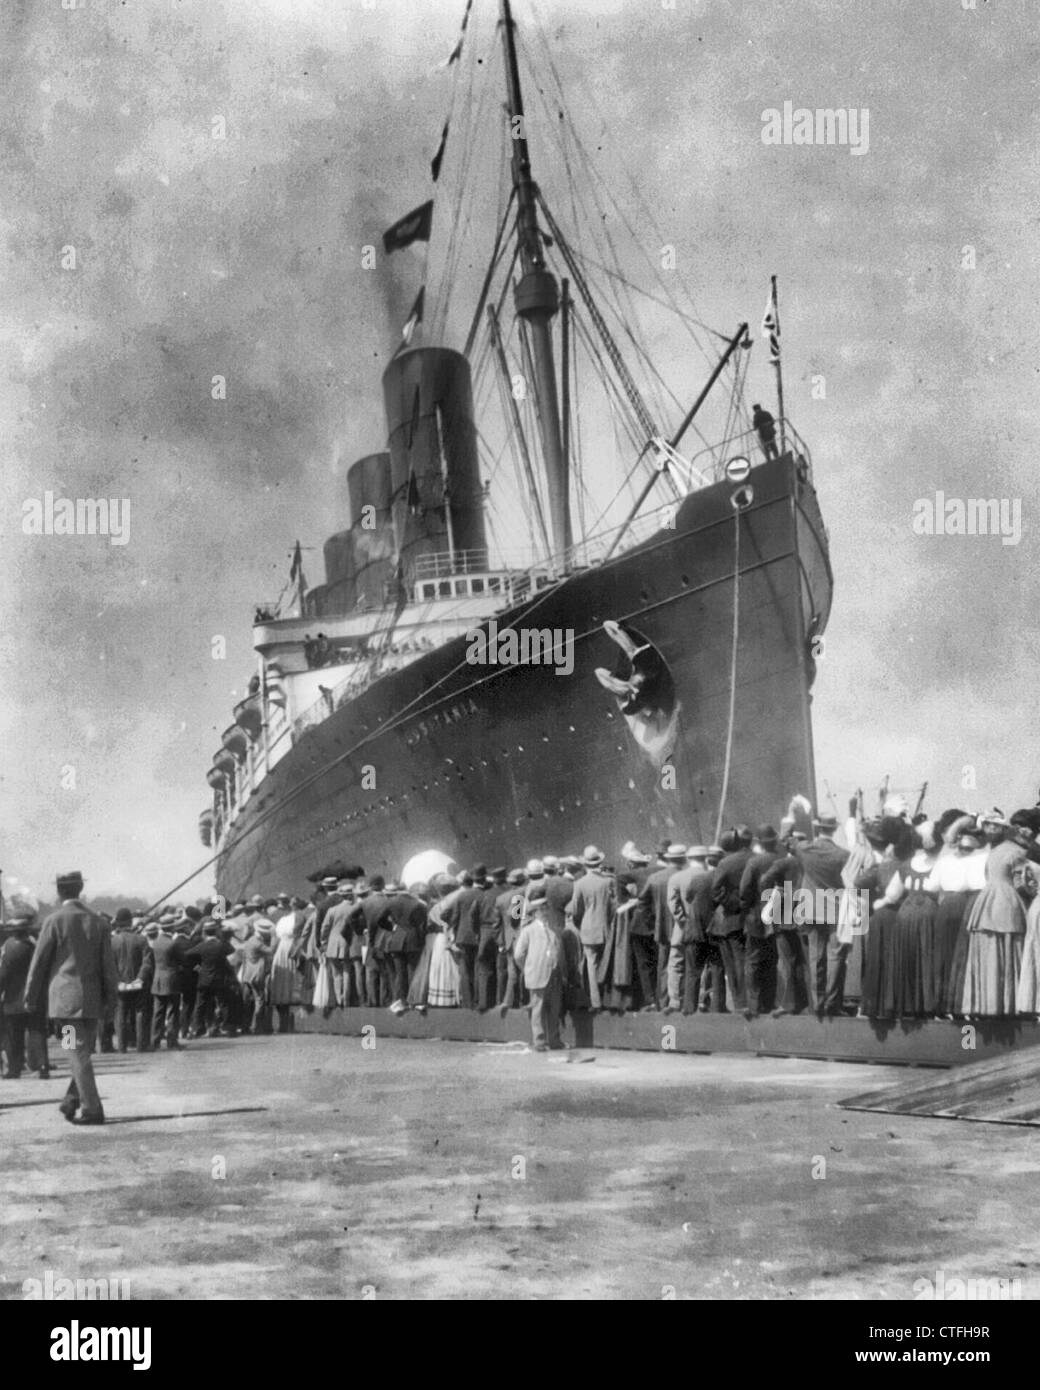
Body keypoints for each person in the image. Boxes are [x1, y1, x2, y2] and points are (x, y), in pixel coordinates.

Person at [25, 871, 118, 1125]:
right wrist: (112, 999)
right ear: (80, 890)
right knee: (82, 1055)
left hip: (64, 1005)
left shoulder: (54, 921)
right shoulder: (99, 922)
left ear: (58, 891)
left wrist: (30, 997)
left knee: (76, 1056)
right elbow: (109, 967)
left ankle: (92, 1110)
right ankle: (71, 1100)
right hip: (92, 1002)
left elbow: (39, 963)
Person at [961, 812, 1028, 1017]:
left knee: (990, 948)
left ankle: (987, 1004)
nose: (990, 830)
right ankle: (1007, 1004)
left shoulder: (993, 851)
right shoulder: (1017, 852)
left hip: (987, 901)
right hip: (1007, 900)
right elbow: (1021, 883)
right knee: (1009, 947)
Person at [792, 814, 850, 1016]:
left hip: (812, 910)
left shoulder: (804, 849)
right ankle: (833, 1004)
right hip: (836, 910)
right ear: (834, 830)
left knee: (816, 957)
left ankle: (817, 1004)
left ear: (817, 829)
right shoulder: (843, 854)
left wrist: (793, 813)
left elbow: (786, 837)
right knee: (836, 957)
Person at [513, 884, 564, 1052]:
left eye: (546, 908)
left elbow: (558, 950)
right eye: (541, 909)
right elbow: (519, 954)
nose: (544, 911)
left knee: (553, 1009)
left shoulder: (553, 929)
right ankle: (540, 1041)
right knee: (538, 1009)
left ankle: (554, 1039)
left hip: (552, 973)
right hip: (536, 971)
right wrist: (527, 968)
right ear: (535, 912)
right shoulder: (528, 929)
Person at [668, 846, 719, 1015]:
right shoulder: (710, 877)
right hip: (709, 928)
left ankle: (676, 1001)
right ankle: (702, 1000)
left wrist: (684, 921)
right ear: (705, 858)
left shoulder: (677, 877)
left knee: (678, 965)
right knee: (707, 967)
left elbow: (673, 904)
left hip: (684, 929)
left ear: (688, 859)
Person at [0, 917, 50, 1079]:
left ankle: (15, 1068)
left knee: (14, 1035)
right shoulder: (35, 946)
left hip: (13, 998)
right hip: (35, 997)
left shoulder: (8, 947)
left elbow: (4, 973)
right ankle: (42, 1065)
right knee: (37, 1031)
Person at [568, 846, 615, 1013]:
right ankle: (608, 999)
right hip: (604, 927)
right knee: (606, 964)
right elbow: (612, 907)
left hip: (585, 929)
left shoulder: (578, 884)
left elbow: (576, 910)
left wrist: (581, 924)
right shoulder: (608, 881)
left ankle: (596, 1002)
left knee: (591, 966)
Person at [110, 908, 151, 1052]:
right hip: (138, 983)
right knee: (140, 1013)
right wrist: (139, 979)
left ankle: (122, 1047)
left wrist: (118, 981)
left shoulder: (112, 941)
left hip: (120, 984)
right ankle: (141, 1045)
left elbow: (110, 965)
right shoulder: (142, 939)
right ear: (130, 921)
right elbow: (147, 963)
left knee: (120, 1014)